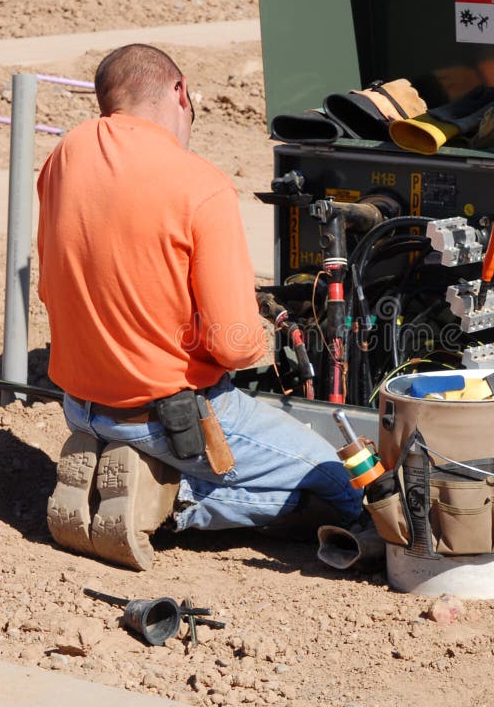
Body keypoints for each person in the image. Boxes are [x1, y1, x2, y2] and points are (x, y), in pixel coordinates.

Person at [38, 43, 363, 570]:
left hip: (80, 405)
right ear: (180, 91)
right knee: (346, 486)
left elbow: (54, 282)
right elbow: (235, 349)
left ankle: (122, 470)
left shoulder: (65, 154)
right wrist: (261, 335)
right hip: (173, 421)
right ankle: (173, 499)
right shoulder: (200, 184)